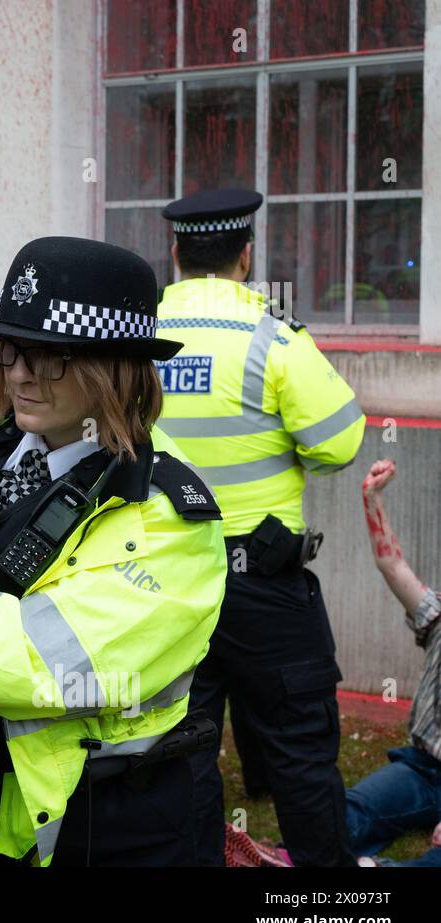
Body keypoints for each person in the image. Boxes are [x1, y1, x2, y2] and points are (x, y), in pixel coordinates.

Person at [0, 236, 227, 866]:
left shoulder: (167, 520)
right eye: (10, 347)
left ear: (115, 370)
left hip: (107, 831)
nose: (20, 373)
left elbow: (31, 664)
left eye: (52, 356)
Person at [157, 188, 366, 867]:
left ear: (176, 253)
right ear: (246, 256)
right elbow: (339, 442)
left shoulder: (135, 336)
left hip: (160, 584)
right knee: (300, 755)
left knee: (177, 756)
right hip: (263, 587)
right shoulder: (272, 336)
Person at [349, 458, 441, 867]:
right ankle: (289, 857)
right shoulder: (437, 616)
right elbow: (392, 563)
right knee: (347, 813)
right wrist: (372, 498)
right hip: (424, 767)